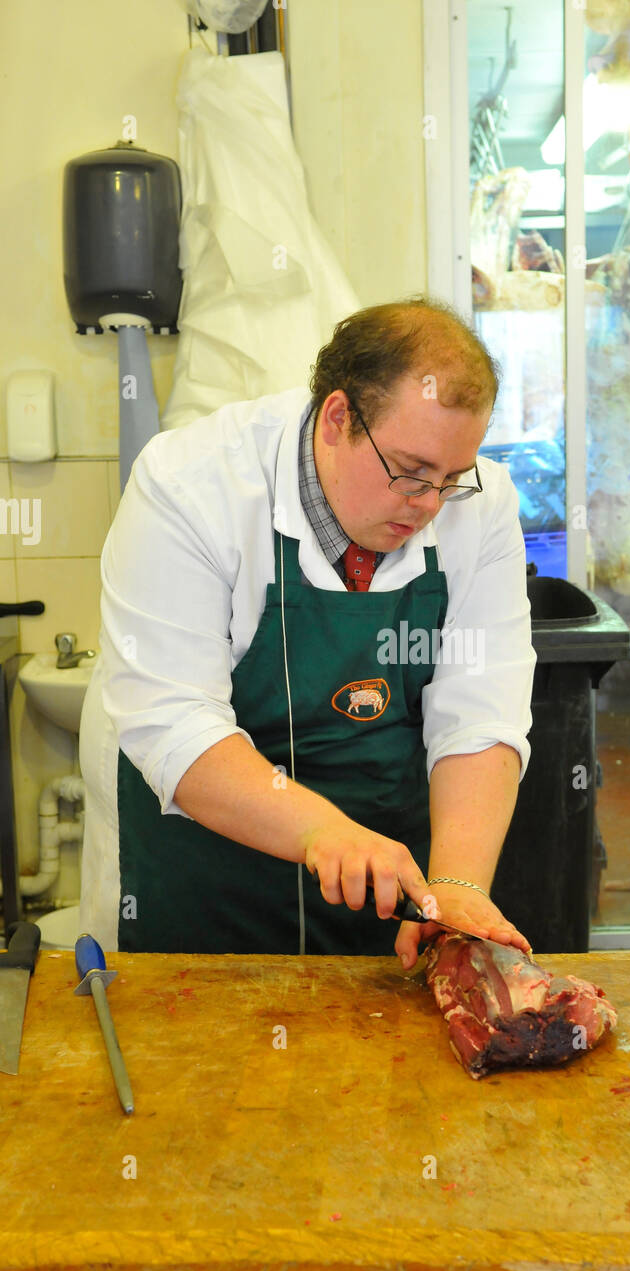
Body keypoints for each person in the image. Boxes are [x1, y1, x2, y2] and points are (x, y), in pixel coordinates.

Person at [79, 297, 535, 966]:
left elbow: (479, 712)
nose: (431, 504)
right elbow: (174, 720)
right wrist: (322, 831)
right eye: (409, 473)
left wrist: (458, 885)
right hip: (204, 873)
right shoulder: (189, 484)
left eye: (451, 479)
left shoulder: (482, 504)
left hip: (381, 887)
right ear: (337, 418)